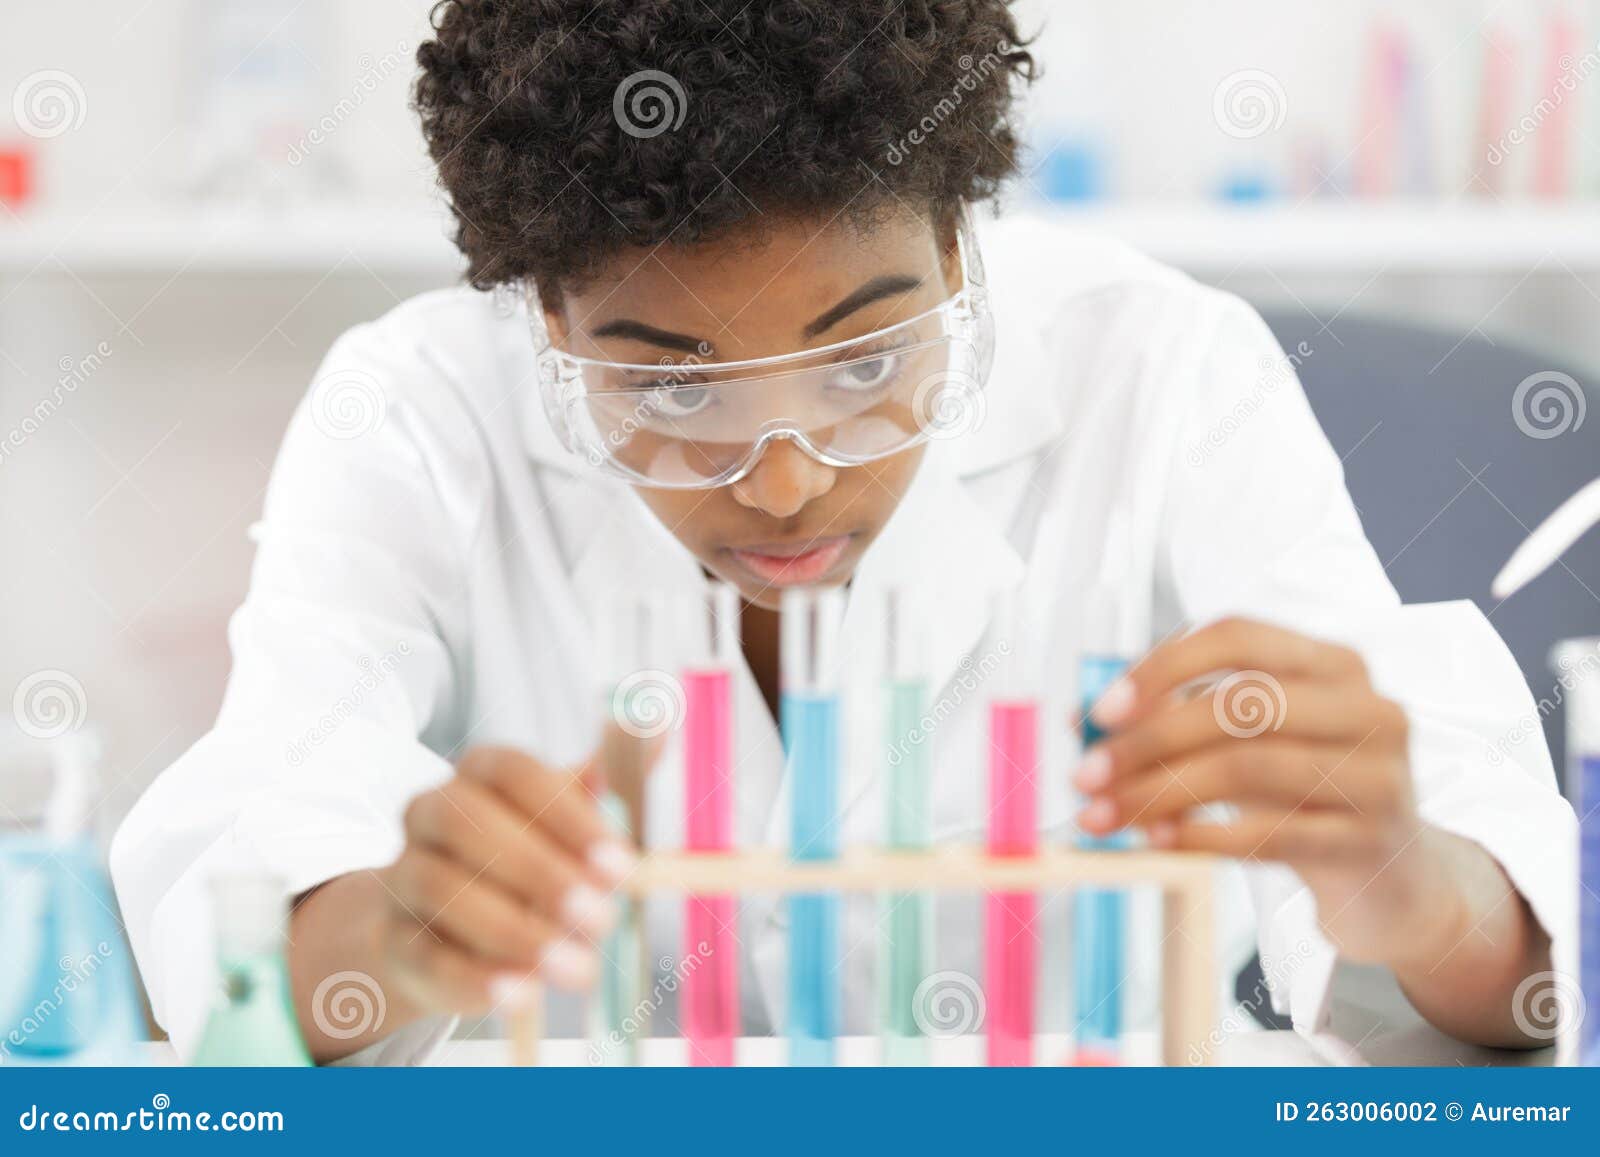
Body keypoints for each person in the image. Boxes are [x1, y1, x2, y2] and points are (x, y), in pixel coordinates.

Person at [112, 0, 1573, 1065]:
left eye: (869, 359)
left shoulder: (1168, 372)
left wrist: (1404, 879)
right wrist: (395, 928)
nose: (788, 482)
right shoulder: (419, 415)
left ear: (957, 250)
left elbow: (1513, 984)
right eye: (672, 385)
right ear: (542, 316)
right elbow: (242, 887)